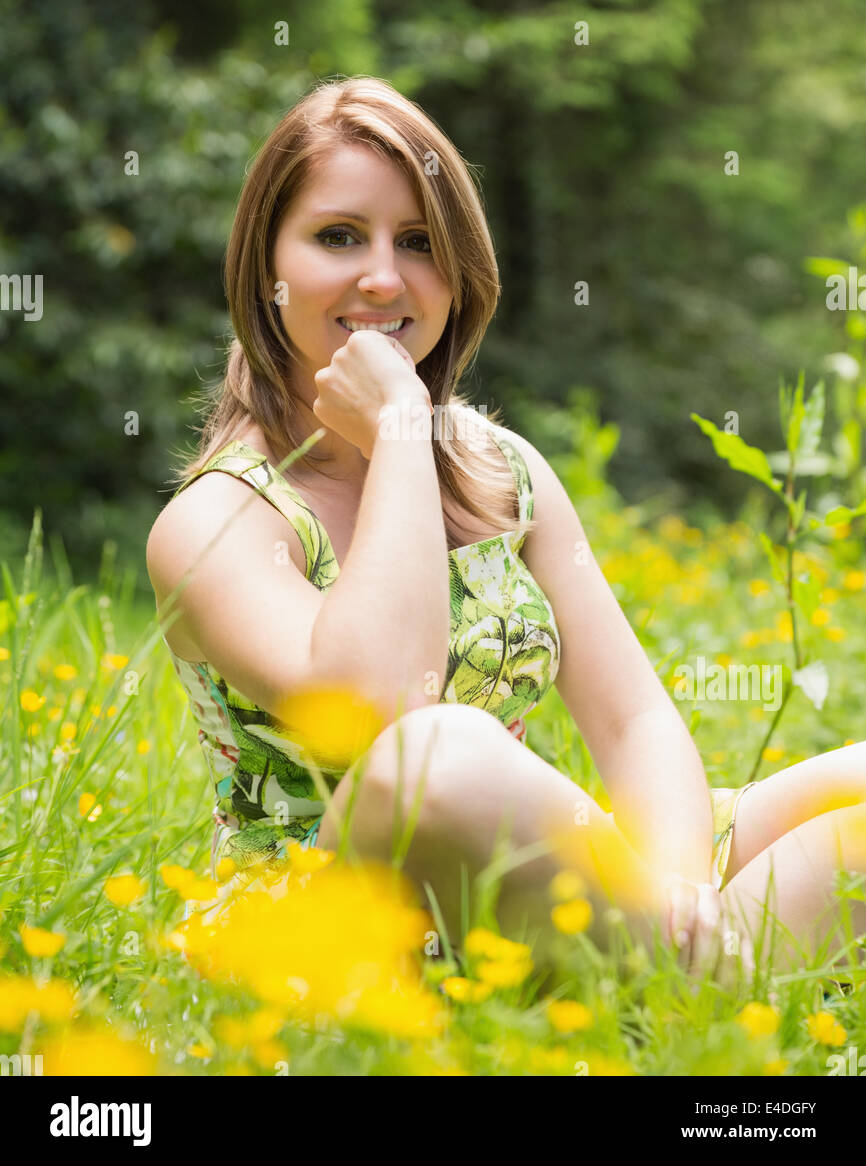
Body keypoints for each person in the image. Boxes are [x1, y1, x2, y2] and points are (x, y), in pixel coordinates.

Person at [147, 75, 866, 983]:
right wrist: (402, 431)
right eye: (338, 236)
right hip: (343, 929)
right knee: (435, 753)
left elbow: (634, 716)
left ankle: (681, 966)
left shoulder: (500, 469)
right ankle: (709, 990)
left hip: (539, 877)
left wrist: (680, 880)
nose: (382, 276)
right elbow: (382, 719)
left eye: (417, 242)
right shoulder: (217, 521)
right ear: (266, 269)